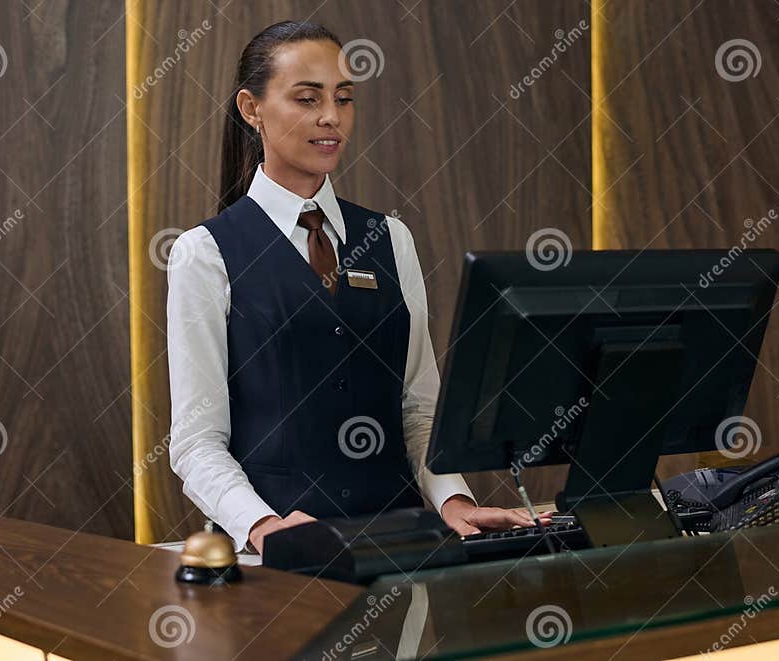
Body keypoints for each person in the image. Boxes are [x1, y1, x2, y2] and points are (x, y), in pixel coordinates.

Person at [166, 20, 550, 553]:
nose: (331, 117)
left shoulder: (391, 238)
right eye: (307, 98)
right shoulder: (204, 253)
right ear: (251, 109)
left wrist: (453, 501)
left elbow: (419, 408)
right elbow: (195, 442)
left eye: (343, 99)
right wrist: (260, 525)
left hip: (404, 546)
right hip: (276, 560)